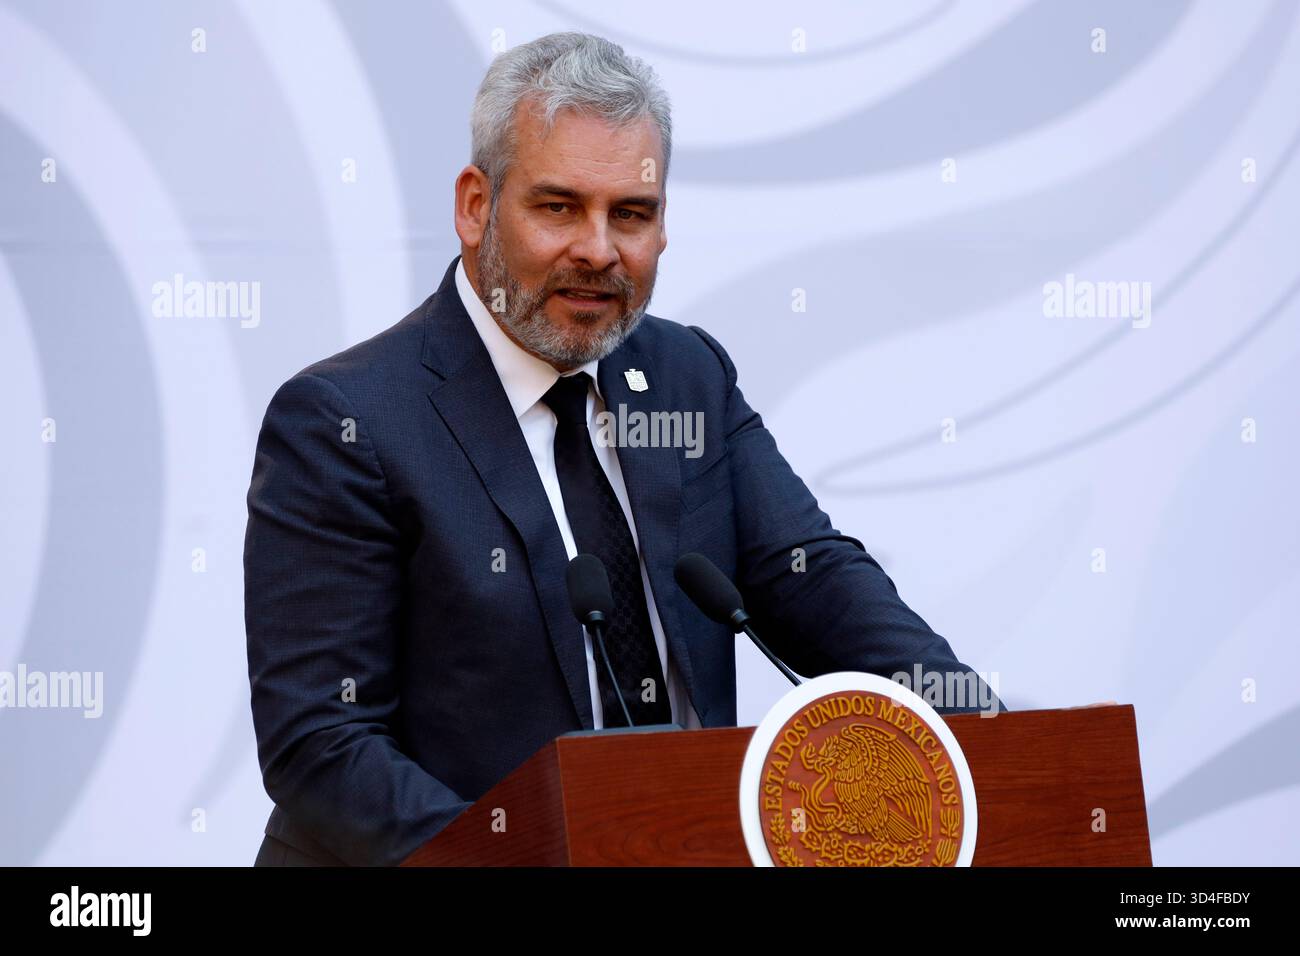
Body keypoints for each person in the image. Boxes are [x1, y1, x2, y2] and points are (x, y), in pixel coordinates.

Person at [244, 31, 1002, 867]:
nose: (599, 251)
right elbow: (321, 745)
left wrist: (990, 742)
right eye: (558, 206)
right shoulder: (346, 421)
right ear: (474, 206)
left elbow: (816, 580)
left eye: (630, 215)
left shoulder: (687, 376)